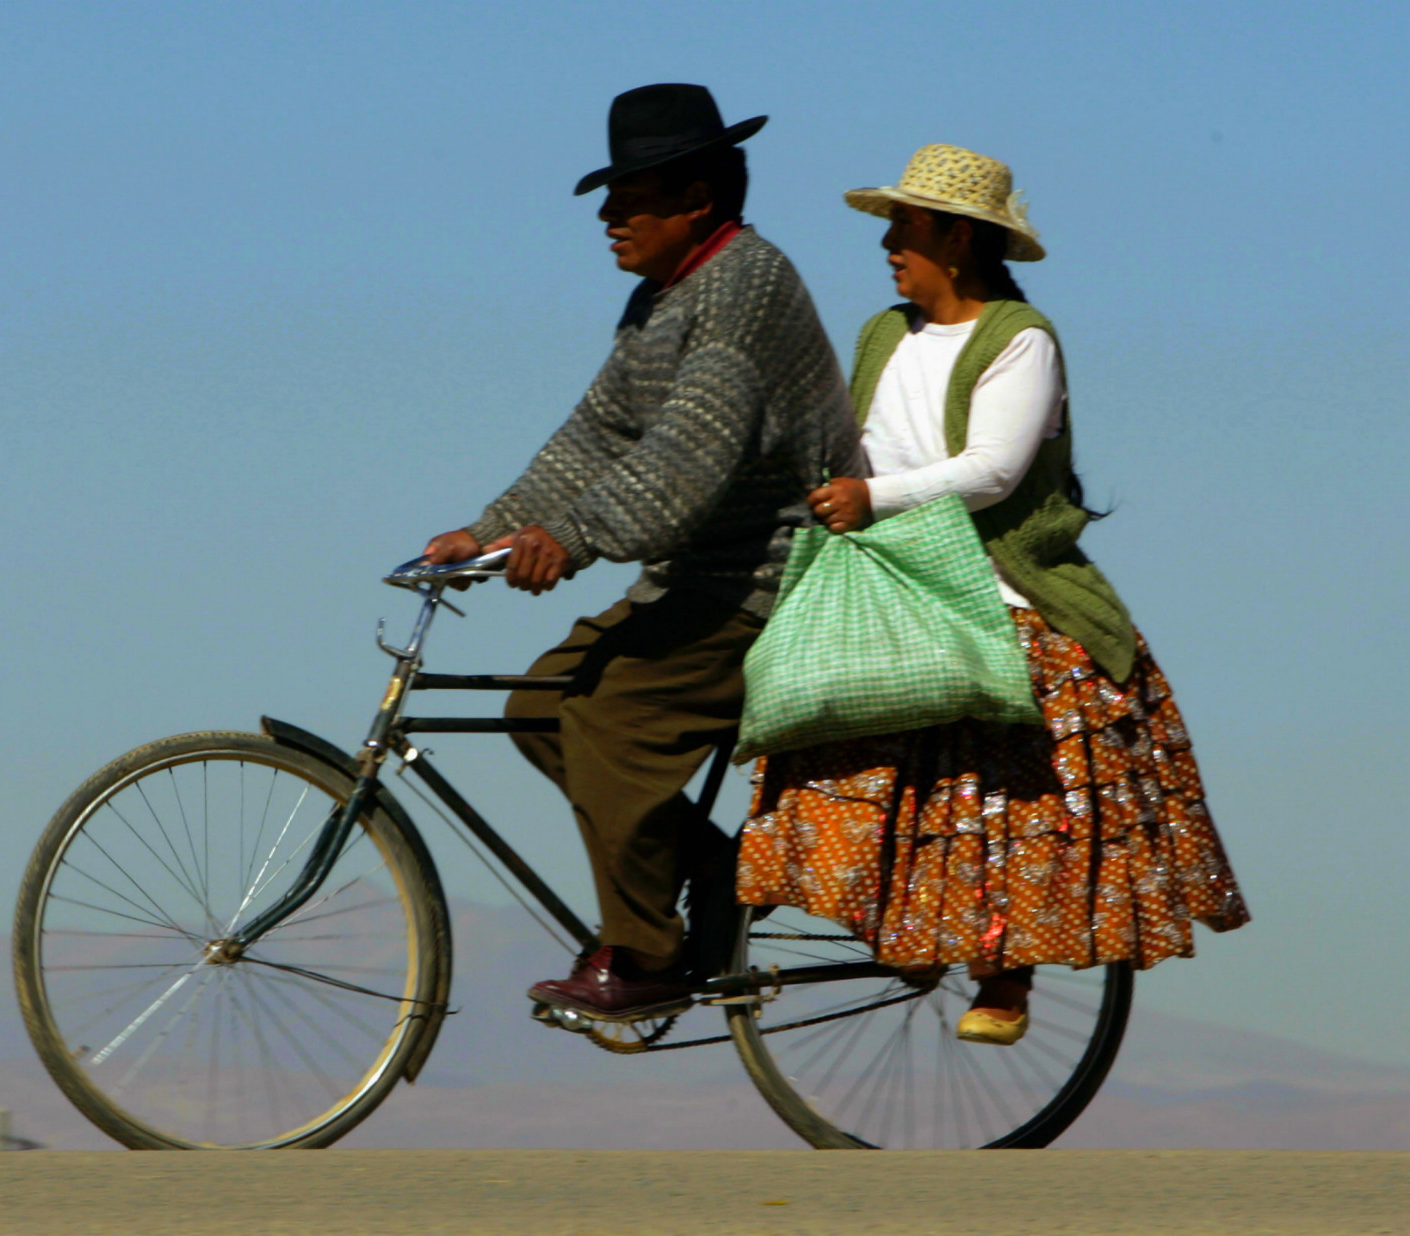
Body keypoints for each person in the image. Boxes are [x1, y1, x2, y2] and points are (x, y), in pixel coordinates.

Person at [737, 145, 1250, 1044]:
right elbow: (856, 444)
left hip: (996, 582)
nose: (889, 241)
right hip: (891, 580)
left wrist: (871, 498)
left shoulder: (1020, 338)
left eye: (908, 223)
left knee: (1005, 795)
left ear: (959, 238)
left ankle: (1003, 976)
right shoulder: (880, 336)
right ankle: (904, 930)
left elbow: (993, 472)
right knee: (864, 770)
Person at [420, 83, 863, 1019]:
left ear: (697, 197)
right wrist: (489, 528)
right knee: (542, 706)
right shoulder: (660, 299)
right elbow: (599, 435)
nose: (610, 216)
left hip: (773, 584)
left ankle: (649, 957)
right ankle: (720, 880)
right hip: (696, 580)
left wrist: (572, 539)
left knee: (612, 724)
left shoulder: (745, 287)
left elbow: (686, 456)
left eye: (632, 197)